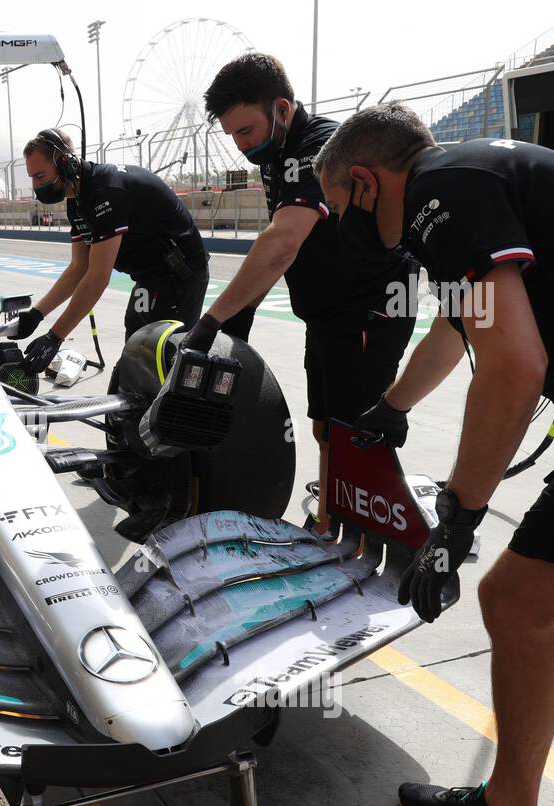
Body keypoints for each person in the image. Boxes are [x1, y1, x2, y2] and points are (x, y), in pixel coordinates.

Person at [314, 102, 554, 806]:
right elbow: (460, 326)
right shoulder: (471, 177)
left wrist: (457, 520)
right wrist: (390, 409)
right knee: (519, 602)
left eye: (339, 210)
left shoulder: (441, 192)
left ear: (365, 182)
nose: (344, 228)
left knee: (512, 596)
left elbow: (513, 366)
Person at [187, 54, 415, 536]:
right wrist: (242, 313)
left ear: (283, 108)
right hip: (329, 310)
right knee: (325, 426)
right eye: (232, 136)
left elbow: (281, 244)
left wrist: (212, 320)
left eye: (246, 130)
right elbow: (285, 250)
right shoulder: (276, 159)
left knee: (357, 430)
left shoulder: (320, 147)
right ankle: (333, 521)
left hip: (373, 305)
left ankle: (360, 536)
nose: (241, 145)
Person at [14, 129, 211, 374]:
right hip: (150, 277)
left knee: (159, 361)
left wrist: (55, 337)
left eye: (41, 176)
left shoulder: (106, 192)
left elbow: (97, 277)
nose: (37, 186)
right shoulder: (77, 201)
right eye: (33, 178)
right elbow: (79, 268)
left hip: (180, 276)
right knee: (135, 349)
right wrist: (36, 314)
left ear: (65, 164)